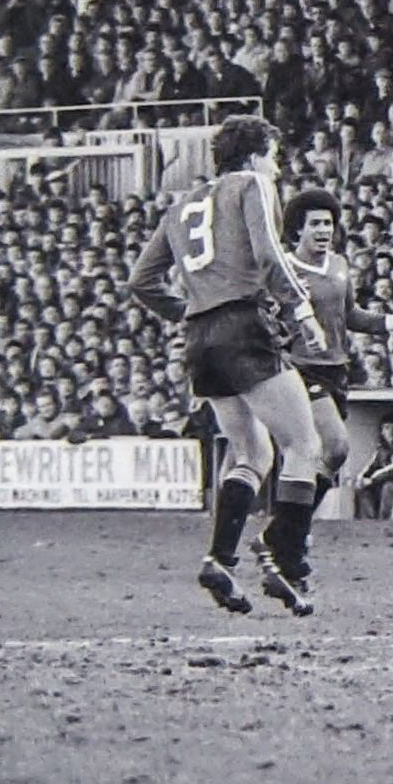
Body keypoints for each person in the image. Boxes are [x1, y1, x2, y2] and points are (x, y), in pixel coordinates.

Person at [127, 113, 329, 616]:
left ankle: (219, 558)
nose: (278, 170)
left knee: (251, 454)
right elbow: (269, 252)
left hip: (200, 338)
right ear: (257, 153)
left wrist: (191, 310)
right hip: (243, 323)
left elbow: (141, 281)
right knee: (304, 446)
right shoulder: (252, 184)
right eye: (276, 158)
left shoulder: (180, 206)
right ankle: (287, 565)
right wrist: (302, 310)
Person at [280, 188, 393, 521]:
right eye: (315, 223)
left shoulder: (340, 264)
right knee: (335, 445)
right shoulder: (284, 268)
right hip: (298, 369)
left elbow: (351, 316)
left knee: (330, 456)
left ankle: (286, 529)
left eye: (328, 224)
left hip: (336, 369)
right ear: (298, 229)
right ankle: (287, 532)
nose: (323, 231)